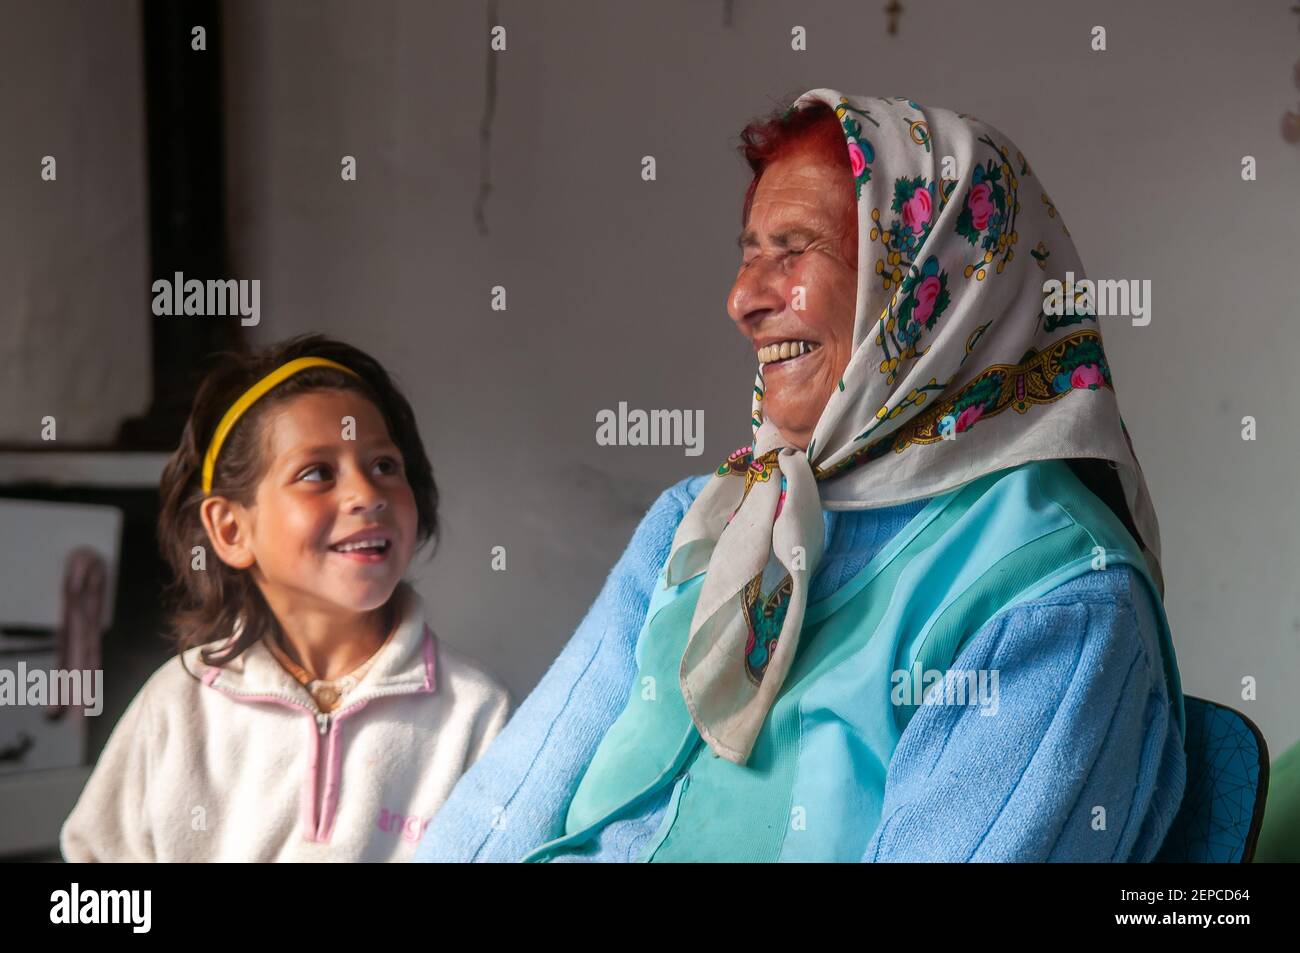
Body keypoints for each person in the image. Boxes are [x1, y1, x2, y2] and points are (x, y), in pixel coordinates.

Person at [416, 90, 1186, 862]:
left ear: (932, 282)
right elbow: (505, 801)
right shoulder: (701, 521)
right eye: (750, 254)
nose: (742, 300)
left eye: (792, 252)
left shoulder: (1053, 598)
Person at [61, 334, 512, 861]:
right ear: (231, 530)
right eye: (317, 473)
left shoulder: (476, 713)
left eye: (385, 466)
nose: (366, 495)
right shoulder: (178, 705)